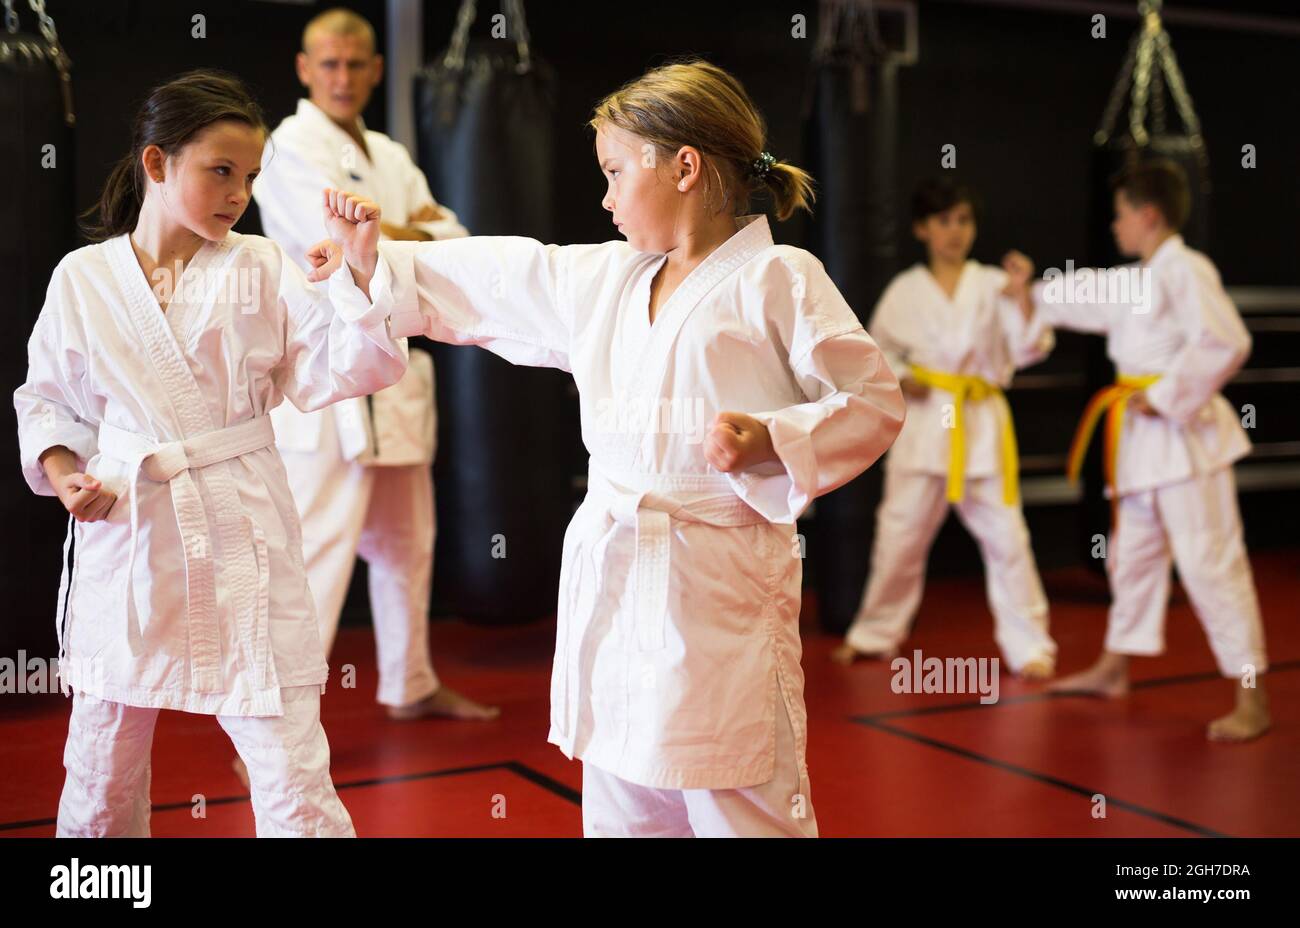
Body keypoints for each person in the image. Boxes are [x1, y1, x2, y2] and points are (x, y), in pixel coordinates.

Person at [311, 59, 906, 836]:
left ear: (685, 167)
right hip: (617, 577)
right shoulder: (611, 279)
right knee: (623, 795)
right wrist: (377, 260)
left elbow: (871, 401)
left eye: (616, 171)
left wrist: (773, 437)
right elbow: (504, 275)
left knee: (737, 796)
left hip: (716, 586)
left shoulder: (778, 276)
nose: (605, 196)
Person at [13, 70, 406, 836]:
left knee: (290, 752)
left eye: (249, 177)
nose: (238, 194)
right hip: (129, 530)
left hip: (240, 527)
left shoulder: (261, 267)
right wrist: (66, 474)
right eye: (219, 171)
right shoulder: (84, 278)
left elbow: (340, 370)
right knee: (101, 758)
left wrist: (357, 273)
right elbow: (48, 400)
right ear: (157, 165)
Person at [254, 7, 497, 723]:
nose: (342, 76)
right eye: (328, 63)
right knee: (317, 553)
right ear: (305, 69)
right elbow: (325, 248)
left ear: (376, 68)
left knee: (407, 543)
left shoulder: (389, 152)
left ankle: (410, 682)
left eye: (356, 63)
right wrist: (395, 233)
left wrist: (380, 233)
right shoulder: (288, 145)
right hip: (327, 375)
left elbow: (452, 234)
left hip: (393, 372)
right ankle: (272, 722)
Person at [1002, 157, 1270, 742]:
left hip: (1186, 440)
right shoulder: (1140, 277)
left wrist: (1169, 394)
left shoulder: (1187, 269)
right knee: (1133, 559)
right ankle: (1114, 668)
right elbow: (1085, 293)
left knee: (1212, 567)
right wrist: (1031, 293)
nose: (1116, 224)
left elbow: (1228, 340)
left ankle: (1253, 698)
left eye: (1122, 214)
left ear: (1148, 214)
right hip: (1142, 445)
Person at [833, 178, 1057, 680]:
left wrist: (1023, 297)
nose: (955, 232)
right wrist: (903, 374)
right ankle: (874, 633)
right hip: (924, 426)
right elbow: (873, 351)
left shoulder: (995, 284)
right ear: (922, 228)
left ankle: (1031, 646)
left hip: (979, 424)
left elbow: (1030, 347)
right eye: (943, 221)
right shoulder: (904, 291)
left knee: (1009, 541)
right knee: (899, 538)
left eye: (963, 221)